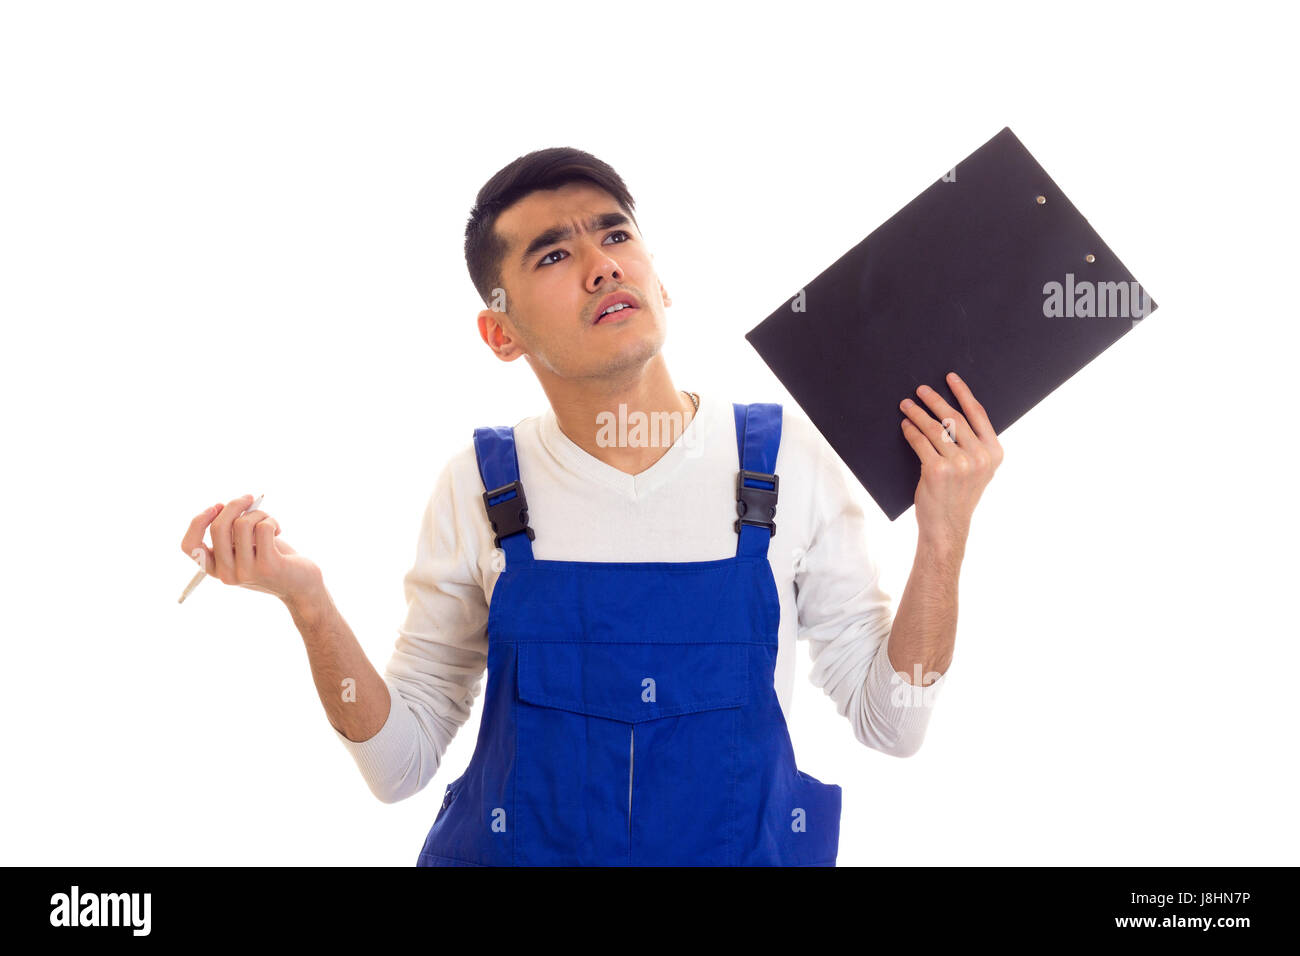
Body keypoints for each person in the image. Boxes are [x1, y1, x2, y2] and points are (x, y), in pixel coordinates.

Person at [179, 147, 1003, 866]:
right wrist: (309, 604)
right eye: (552, 255)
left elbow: (894, 723)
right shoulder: (478, 488)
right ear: (499, 334)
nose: (602, 264)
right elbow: (399, 769)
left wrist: (944, 535)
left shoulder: (784, 464)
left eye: (616, 235)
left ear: (660, 279)